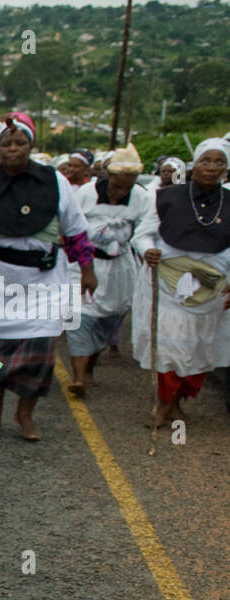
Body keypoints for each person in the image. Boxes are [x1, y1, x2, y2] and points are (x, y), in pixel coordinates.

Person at [0, 113, 97, 440]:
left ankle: (25, 414)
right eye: (7, 144)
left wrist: (87, 270)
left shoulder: (55, 182)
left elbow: (75, 231)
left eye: (20, 143)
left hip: (44, 282)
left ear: (31, 144)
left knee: (40, 353)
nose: (14, 149)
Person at [132, 137, 230, 428]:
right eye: (206, 161)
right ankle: (162, 404)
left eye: (219, 162)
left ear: (227, 168)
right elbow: (143, 234)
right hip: (167, 282)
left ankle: (177, 404)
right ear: (194, 164)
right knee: (168, 348)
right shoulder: (167, 196)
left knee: (198, 349)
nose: (212, 168)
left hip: (211, 288)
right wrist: (146, 250)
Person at [65, 144, 149, 397]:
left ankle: (90, 364)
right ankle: (78, 377)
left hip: (120, 267)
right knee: (77, 318)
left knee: (109, 319)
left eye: (130, 184)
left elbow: (145, 231)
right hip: (85, 264)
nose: (125, 189)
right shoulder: (86, 194)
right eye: (121, 183)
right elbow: (74, 227)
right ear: (109, 175)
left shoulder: (142, 197)